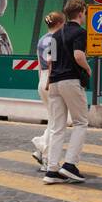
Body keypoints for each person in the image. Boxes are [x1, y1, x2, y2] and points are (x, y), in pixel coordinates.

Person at [43, 0, 92, 184]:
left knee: (57, 127)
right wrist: (87, 69)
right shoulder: (80, 32)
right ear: (80, 13)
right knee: (81, 122)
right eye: (85, 13)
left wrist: (49, 82)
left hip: (54, 82)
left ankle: (52, 170)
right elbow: (78, 55)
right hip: (70, 80)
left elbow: (51, 61)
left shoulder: (55, 36)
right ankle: (70, 165)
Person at [30, 11, 66, 169]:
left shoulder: (41, 40)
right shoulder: (56, 40)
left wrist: (42, 82)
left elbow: (39, 65)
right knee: (57, 123)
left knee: (53, 120)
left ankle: (40, 149)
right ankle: (46, 157)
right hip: (52, 80)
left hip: (42, 80)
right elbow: (53, 63)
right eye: (63, 23)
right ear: (58, 24)